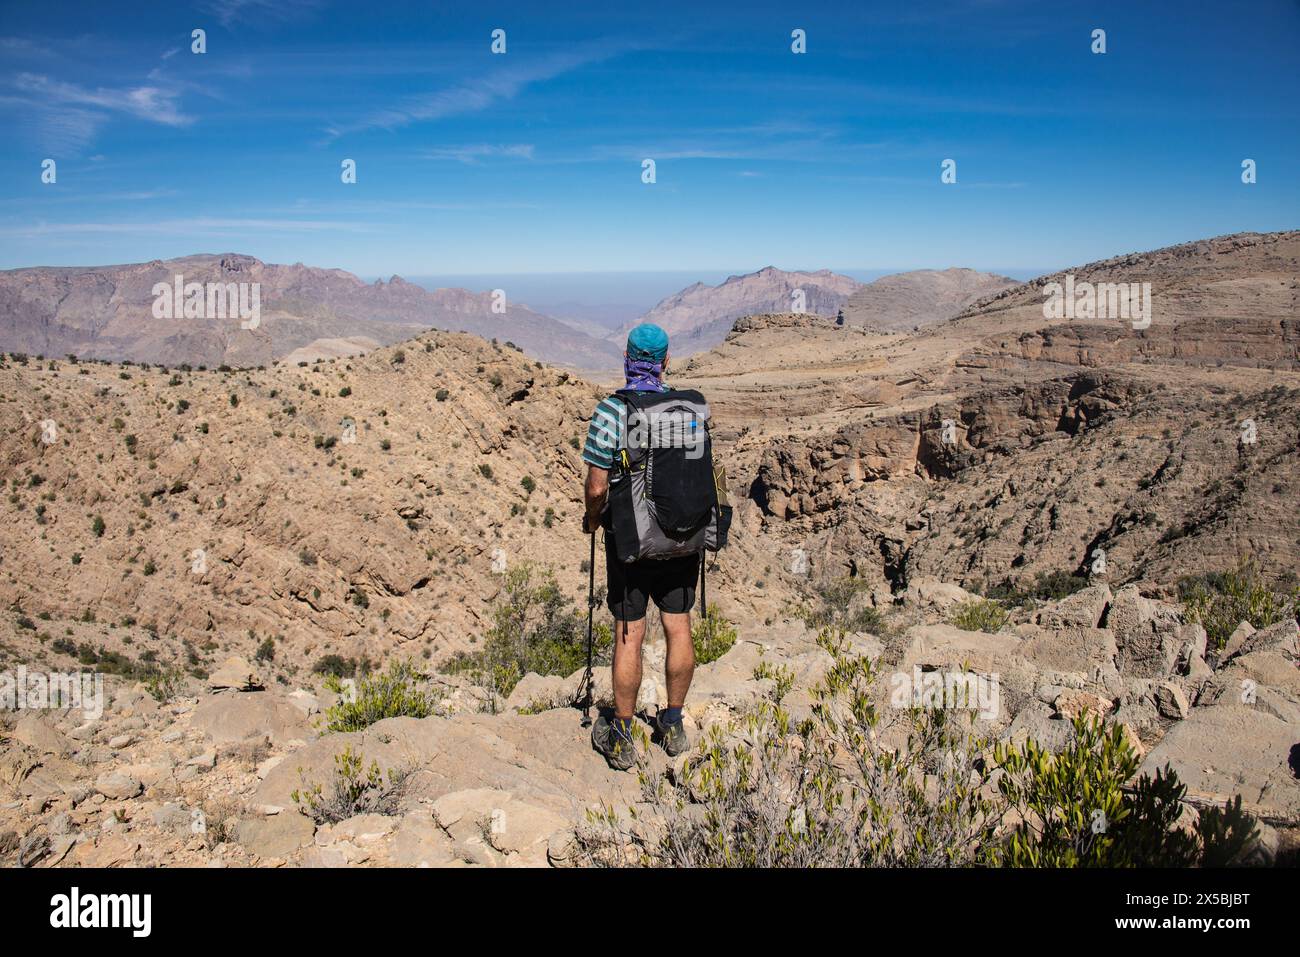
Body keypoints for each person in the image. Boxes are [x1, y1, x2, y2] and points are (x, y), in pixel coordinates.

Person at [581, 322, 698, 770]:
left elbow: (597, 487)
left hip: (630, 542)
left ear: (627, 360)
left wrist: (594, 520)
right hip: (680, 539)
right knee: (678, 627)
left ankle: (623, 734)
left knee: (630, 633)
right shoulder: (688, 410)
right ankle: (673, 723)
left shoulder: (612, 411)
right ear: (665, 362)